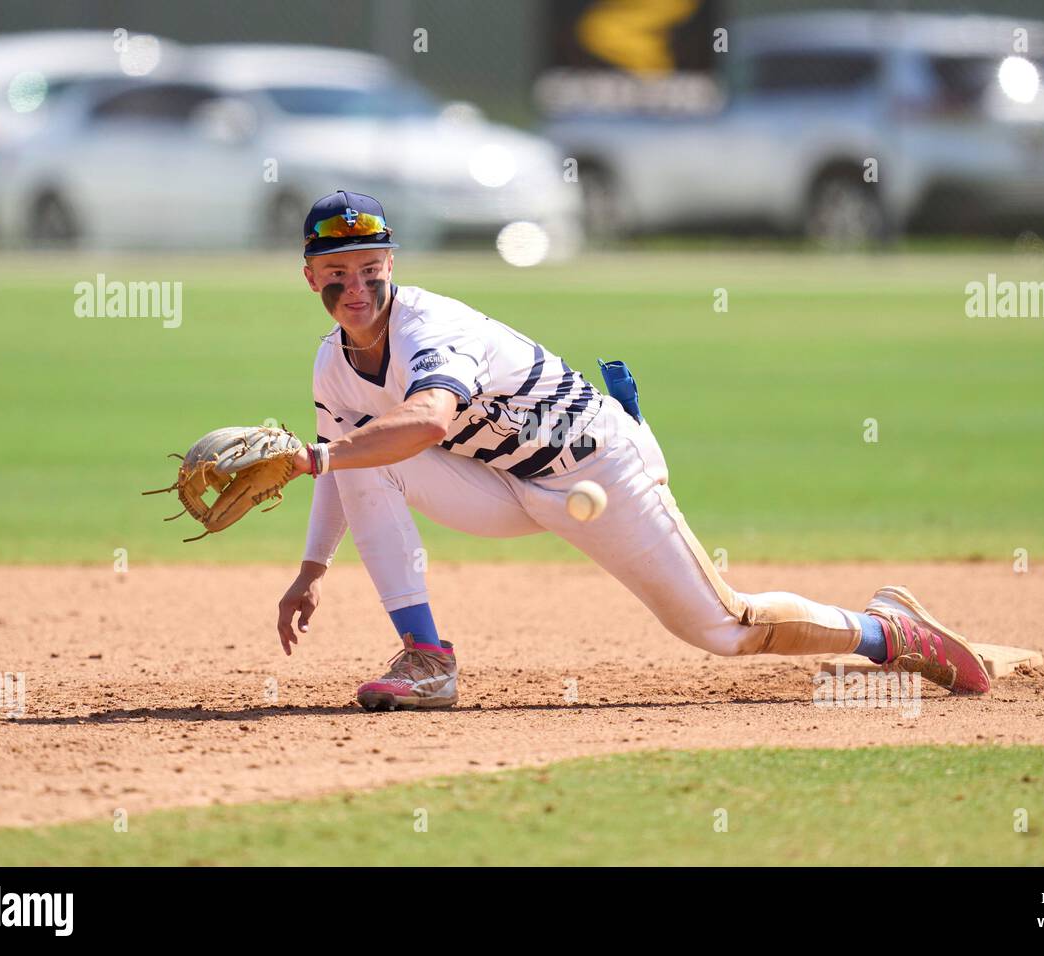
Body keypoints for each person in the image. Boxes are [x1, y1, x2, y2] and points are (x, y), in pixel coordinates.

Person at [275, 191, 991, 710]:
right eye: (337, 271)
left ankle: (884, 632)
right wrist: (311, 568)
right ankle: (427, 660)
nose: (356, 284)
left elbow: (429, 420)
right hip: (505, 483)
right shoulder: (331, 363)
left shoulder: (432, 328)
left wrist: (314, 458)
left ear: (392, 263)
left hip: (600, 471)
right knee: (356, 451)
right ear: (311, 278)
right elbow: (347, 461)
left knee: (724, 628)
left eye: (370, 265)